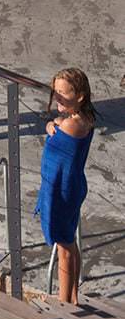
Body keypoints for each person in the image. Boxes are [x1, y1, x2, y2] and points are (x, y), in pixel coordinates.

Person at [35, 67, 96, 305]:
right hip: (71, 186)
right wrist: (56, 122)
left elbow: (55, 131)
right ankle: (73, 296)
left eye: (62, 92)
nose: (57, 97)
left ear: (79, 96)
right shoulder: (84, 119)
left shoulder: (71, 126)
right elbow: (60, 123)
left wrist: (51, 125)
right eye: (55, 92)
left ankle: (63, 303)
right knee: (69, 240)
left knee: (64, 246)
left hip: (61, 191)